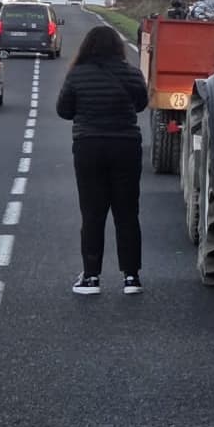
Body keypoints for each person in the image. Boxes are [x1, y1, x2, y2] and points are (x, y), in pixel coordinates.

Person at [56, 26, 149, 295]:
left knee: (93, 214)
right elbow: (141, 103)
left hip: (89, 146)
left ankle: (91, 278)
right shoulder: (131, 73)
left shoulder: (77, 74)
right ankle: (131, 277)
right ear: (117, 47)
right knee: (128, 214)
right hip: (126, 146)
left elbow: (64, 110)